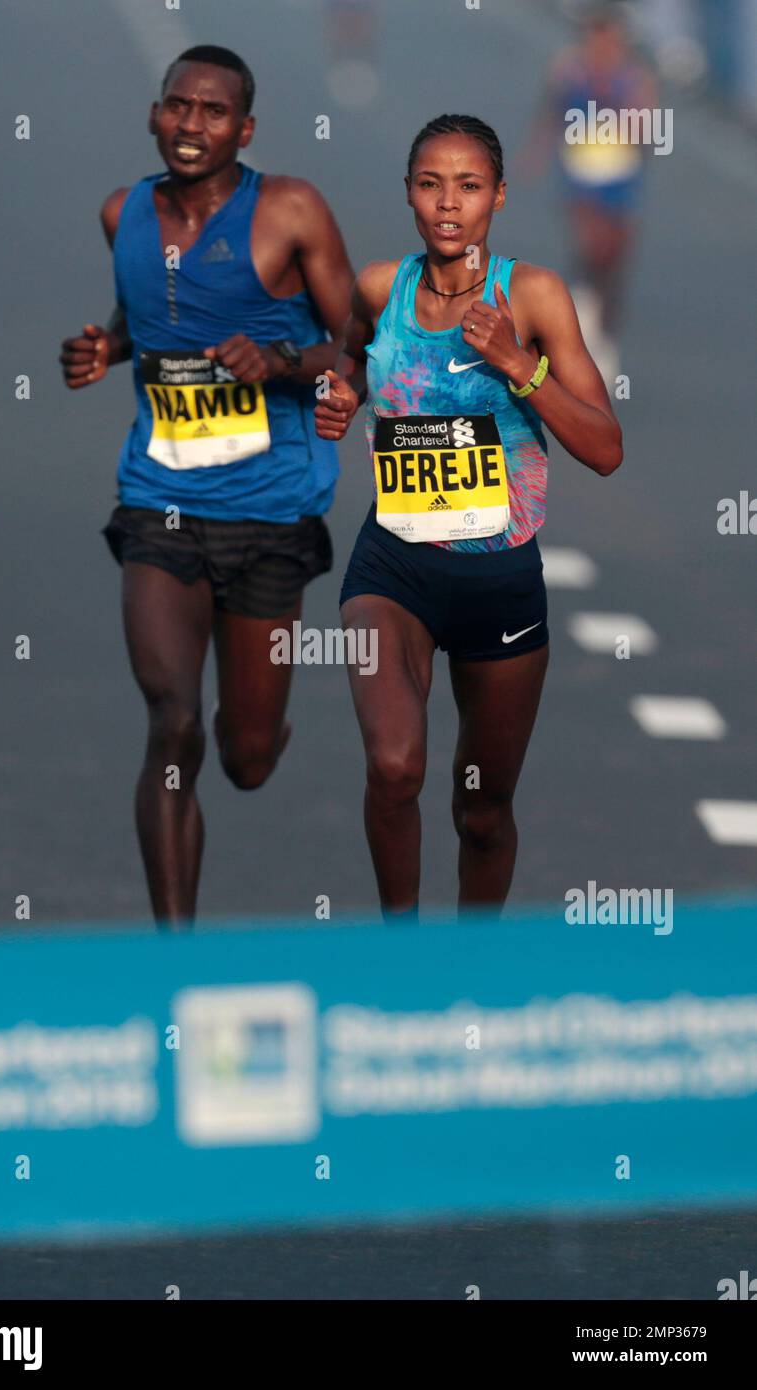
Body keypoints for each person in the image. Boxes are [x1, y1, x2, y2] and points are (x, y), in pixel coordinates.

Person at [60, 46, 353, 926]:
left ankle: (254, 729)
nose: (192, 125)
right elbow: (143, 324)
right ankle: (174, 954)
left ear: (245, 129)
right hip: (160, 503)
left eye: (213, 112)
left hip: (271, 510)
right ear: (155, 115)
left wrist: (281, 362)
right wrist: (103, 351)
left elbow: (366, 347)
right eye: (178, 107)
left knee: (245, 757)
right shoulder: (124, 214)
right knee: (173, 722)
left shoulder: (291, 210)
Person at [315, 113, 622, 920]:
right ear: (410, 194)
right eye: (430, 184)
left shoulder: (534, 295)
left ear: (499, 198)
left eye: (470, 186)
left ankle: (472, 971)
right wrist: (342, 393)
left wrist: (521, 366)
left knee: (481, 813)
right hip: (394, 566)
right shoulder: (384, 287)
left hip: (501, 581)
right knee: (393, 764)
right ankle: (404, 955)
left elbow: (604, 448)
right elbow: (347, 353)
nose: (448, 204)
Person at [518, 4, 657, 385]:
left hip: (621, 175)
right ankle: (583, 315)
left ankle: (605, 331)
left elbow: (648, 126)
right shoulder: (568, 69)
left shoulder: (633, 77)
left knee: (615, 258)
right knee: (590, 245)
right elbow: (549, 113)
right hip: (580, 172)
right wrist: (537, 154)